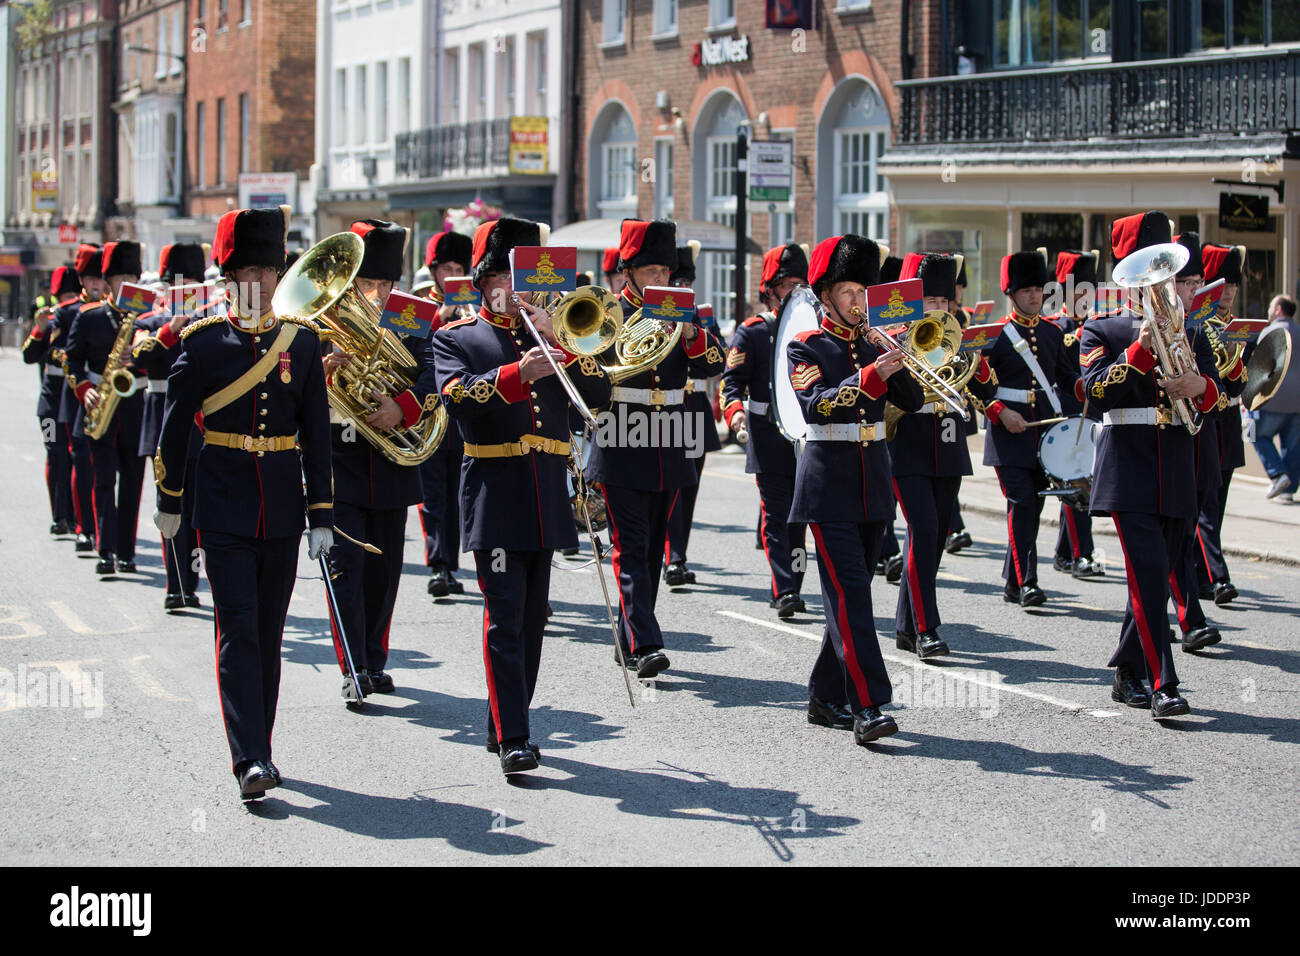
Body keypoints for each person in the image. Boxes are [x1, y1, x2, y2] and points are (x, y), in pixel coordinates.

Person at [154, 206, 334, 800]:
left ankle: (265, 744)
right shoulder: (203, 341)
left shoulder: (303, 344)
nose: (258, 282)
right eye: (247, 271)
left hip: (281, 504)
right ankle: (249, 758)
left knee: (270, 629)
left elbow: (315, 435)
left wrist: (322, 514)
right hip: (224, 505)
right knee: (238, 630)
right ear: (228, 277)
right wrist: (170, 500)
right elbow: (176, 429)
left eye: (267, 269)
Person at [431, 216, 611, 774]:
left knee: (533, 620)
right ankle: (516, 736)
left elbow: (600, 395)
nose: (519, 293)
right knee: (504, 616)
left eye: (528, 282)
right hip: (494, 492)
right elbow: (456, 398)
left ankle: (503, 720)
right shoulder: (455, 338)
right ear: (487, 284)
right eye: (508, 281)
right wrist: (518, 372)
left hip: (544, 496)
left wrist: (560, 341)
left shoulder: (553, 336)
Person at [1080, 210, 1223, 720]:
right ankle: (1164, 682)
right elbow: (1095, 393)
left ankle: (1127, 669)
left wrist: (1200, 387)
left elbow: (1220, 395)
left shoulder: (1192, 329)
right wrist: (1141, 348)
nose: (1161, 283)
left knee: (1157, 575)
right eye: (1150, 271)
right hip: (1130, 466)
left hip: (1179, 463)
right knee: (1147, 573)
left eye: (1166, 271)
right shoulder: (1101, 329)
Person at [789, 234, 923, 746]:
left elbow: (909, 401)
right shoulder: (808, 345)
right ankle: (869, 704)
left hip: (872, 482)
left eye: (864, 291)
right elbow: (816, 407)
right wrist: (869, 376)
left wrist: (901, 356)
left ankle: (825, 695)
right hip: (827, 486)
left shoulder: (875, 342)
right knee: (851, 597)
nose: (858, 301)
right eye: (848, 290)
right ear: (826, 294)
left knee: (852, 595)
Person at [586, 219, 725, 679]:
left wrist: (689, 334)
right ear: (628, 271)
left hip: (670, 437)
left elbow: (717, 362)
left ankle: (628, 635)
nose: (660, 281)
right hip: (621, 434)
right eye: (650, 272)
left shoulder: (686, 314)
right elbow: (585, 373)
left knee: (651, 550)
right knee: (631, 544)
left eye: (665, 272)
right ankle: (647, 642)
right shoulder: (607, 312)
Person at [323, 219, 442, 700]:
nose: (375, 294)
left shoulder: (413, 317)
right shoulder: (319, 318)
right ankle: (353, 666)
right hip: (338, 455)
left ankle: (374, 657)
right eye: (367, 283)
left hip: (390, 460)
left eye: (384, 284)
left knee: (385, 569)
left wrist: (403, 406)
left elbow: (436, 371)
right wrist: (318, 370)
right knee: (345, 564)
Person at [889, 252, 998, 659]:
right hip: (907, 441)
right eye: (930, 302)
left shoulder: (960, 337)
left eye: (944, 302)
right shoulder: (897, 336)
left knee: (931, 538)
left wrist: (978, 362)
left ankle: (905, 623)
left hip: (948, 442)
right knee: (925, 527)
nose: (938, 309)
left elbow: (987, 392)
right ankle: (925, 627)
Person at [981, 250, 1084, 609]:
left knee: (1032, 508)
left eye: (1038, 288)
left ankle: (1012, 580)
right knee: (1021, 503)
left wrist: (1088, 388)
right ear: (1011, 293)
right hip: (1007, 431)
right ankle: (1028, 581)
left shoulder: (1052, 332)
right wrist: (998, 411)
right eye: (1026, 289)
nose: (1034, 295)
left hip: (1043, 432)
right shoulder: (994, 336)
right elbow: (976, 386)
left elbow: (1065, 375)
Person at [721, 242, 809, 618]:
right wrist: (735, 414)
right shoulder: (753, 331)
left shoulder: (813, 330)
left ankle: (797, 583)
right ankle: (784, 587)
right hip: (767, 435)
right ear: (770, 289)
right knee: (777, 517)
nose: (793, 292)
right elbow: (731, 384)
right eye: (786, 284)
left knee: (801, 522)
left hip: (806, 442)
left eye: (799, 284)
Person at [131, 242, 212, 609]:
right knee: (170, 503)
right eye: (178, 282)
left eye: (192, 282)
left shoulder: (213, 321)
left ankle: (191, 583)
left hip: (203, 423)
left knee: (198, 508)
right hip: (163, 417)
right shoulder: (148, 321)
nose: (185, 289)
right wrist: (172, 328)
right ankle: (174, 585)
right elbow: (139, 358)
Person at [1165, 232, 1235, 651]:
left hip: (1198, 445)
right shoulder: (1130, 326)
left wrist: (1202, 384)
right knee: (1169, 538)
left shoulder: (1201, 330)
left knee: (1185, 532)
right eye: (1184, 283)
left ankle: (1179, 612)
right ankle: (1189, 617)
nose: (1193, 291)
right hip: (1158, 449)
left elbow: (1225, 393)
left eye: (1195, 283)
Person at [65, 241, 149, 577]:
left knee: (132, 482)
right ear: (109, 280)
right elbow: (71, 360)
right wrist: (84, 390)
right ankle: (106, 550)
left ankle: (127, 552)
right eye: (121, 276)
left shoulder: (146, 314)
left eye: (132, 275)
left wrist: (141, 357)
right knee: (103, 481)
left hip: (133, 406)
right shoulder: (89, 317)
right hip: (100, 403)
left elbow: (161, 360)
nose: (128, 281)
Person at [416, 229, 473, 598]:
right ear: (433, 270)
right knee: (432, 494)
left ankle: (451, 564)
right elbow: (407, 352)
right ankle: (438, 565)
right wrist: (440, 317)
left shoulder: (475, 304)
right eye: (445, 267)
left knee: (458, 495)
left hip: (462, 415)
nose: (451, 274)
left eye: (458, 267)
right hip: (428, 413)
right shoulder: (415, 305)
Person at [1194, 243, 1249, 602]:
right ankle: (1218, 575)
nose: (1229, 293)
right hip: (1205, 422)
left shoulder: (1236, 326)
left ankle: (1200, 575)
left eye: (1233, 287)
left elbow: (1241, 382)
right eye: (1223, 285)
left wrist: (1237, 362)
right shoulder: (1200, 324)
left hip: (1227, 422)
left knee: (1219, 503)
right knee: (1205, 505)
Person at [663, 240, 716, 587]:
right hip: (665, 408)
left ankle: (678, 554)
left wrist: (693, 330)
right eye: (678, 282)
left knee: (689, 486)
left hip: (693, 406)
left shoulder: (696, 313)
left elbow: (715, 360)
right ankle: (671, 556)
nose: (684, 289)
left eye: (687, 283)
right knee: (668, 486)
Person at [1049, 249, 1104, 578]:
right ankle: (1081, 553)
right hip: (1067, 411)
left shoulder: (1097, 322)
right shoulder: (1058, 324)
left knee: (1083, 484)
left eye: (1089, 291)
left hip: (1092, 410)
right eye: (1079, 291)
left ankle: (1063, 552)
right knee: (1076, 482)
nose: (1086, 297)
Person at [22, 263, 83, 536]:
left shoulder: (81, 317)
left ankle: (77, 516)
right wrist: (39, 328)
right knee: (54, 454)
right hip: (49, 404)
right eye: (64, 295)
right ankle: (59, 515)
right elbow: (29, 355)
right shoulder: (51, 320)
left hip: (73, 401)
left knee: (75, 458)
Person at [59, 244, 109, 553]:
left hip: (114, 395)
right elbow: (58, 352)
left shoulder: (118, 311)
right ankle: (84, 528)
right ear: (82, 280)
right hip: (79, 394)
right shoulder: (66, 313)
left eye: (100, 278)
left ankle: (107, 535)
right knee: (82, 464)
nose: (96, 284)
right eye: (91, 278)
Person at [1252, 295, 1300, 501]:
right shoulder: (1299, 331)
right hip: (1297, 399)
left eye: (1271, 307)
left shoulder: (1269, 331)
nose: (1269, 310)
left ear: (1279, 309)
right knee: (1292, 444)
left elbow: (1259, 368)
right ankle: (1288, 491)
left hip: (1272, 397)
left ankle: (1278, 474)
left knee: (1256, 435)